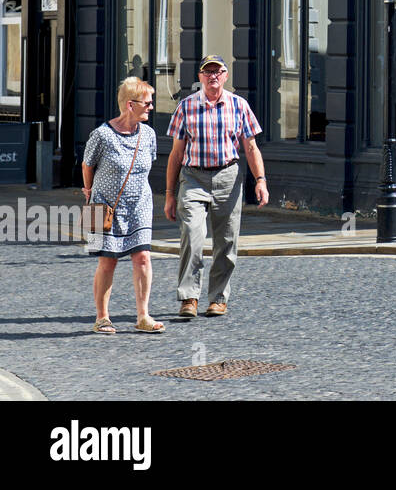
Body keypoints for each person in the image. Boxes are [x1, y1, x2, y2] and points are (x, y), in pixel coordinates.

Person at [165, 55, 267, 318]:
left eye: (217, 71)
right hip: (193, 178)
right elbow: (176, 154)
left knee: (227, 241)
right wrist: (169, 195)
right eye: (207, 72)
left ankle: (218, 298)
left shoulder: (239, 105)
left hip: (228, 177)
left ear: (225, 76)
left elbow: (251, 147)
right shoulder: (186, 107)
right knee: (192, 235)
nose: (212, 76)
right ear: (199, 77)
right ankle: (189, 298)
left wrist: (261, 181)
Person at [83, 77, 164, 334]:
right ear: (131, 104)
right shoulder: (102, 135)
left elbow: (145, 166)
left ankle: (143, 316)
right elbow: (87, 165)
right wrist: (89, 192)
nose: (151, 106)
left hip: (139, 204)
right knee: (107, 261)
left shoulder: (149, 134)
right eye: (147, 102)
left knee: (142, 257)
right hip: (103, 207)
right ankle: (102, 317)